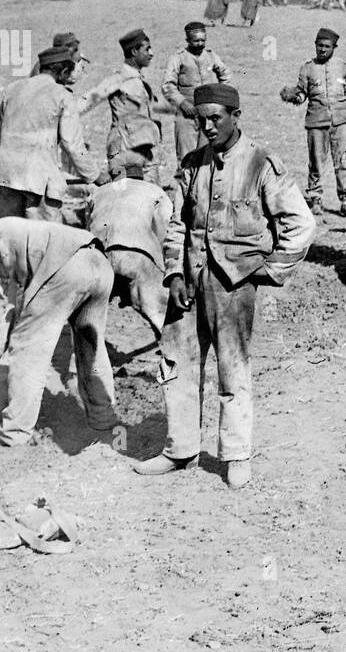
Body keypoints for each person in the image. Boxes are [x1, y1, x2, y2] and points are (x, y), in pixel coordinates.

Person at [133, 84, 316, 488]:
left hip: (234, 284)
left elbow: (301, 225)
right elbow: (177, 223)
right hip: (190, 281)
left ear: (236, 115)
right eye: (201, 119)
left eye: (216, 117)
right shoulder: (192, 162)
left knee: (232, 368)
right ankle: (180, 449)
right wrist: (175, 274)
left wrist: (267, 270)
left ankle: (235, 455)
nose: (208, 126)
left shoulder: (261, 163)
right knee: (177, 363)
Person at [0, 216, 117, 446]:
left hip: (68, 267)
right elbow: (13, 313)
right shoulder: (19, 244)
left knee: (29, 346)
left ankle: (14, 432)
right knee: (90, 344)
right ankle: (103, 417)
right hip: (99, 265)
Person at [0, 45, 97, 219]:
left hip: (5, 176)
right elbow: (73, 145)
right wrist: (93, 175)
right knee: (43, 239)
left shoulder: (11, 89)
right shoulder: (62, 96)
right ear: (63, 72)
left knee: (9, 238)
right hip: (39, 180)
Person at [279, 28, 346, 215]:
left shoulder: (342, 65)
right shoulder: (307, 67)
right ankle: (316, 198)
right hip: (317, 121)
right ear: (315, 46)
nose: (322, 50)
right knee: (316, 161)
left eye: (327, 47)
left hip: (341, 121)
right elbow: (302, 93)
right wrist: (293, 96)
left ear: (334, 48)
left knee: (343, 162)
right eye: (319, 46)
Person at [86, 174, 173, 341]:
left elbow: (88, 225)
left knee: (90, 313)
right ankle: (169, 350)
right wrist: (164, 269)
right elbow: (165, 231)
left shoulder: (99, 191)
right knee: (157, 311)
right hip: (136, 255)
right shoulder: (155, 191)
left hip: (100, 255)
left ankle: (89, 358)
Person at [79, 29, 163, 184]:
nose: (151, 53)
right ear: (134, 51)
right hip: (123, 150)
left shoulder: (139, 79)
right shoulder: (118, 79)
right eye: (147, 49)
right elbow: (88, 101)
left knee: (152, 198)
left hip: (145, 150)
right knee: (122, 198)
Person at [162, 22, 230, 164]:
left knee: (208, 155)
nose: (200, 44)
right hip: (187, 115)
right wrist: (182, 103)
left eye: (203, 40)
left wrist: (219, 98)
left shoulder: (211, 56)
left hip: (209, 115)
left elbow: (226, 75)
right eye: (196, 41)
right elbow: (168, 85)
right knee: (186, 156)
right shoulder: (178, 58)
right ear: (187, 40)